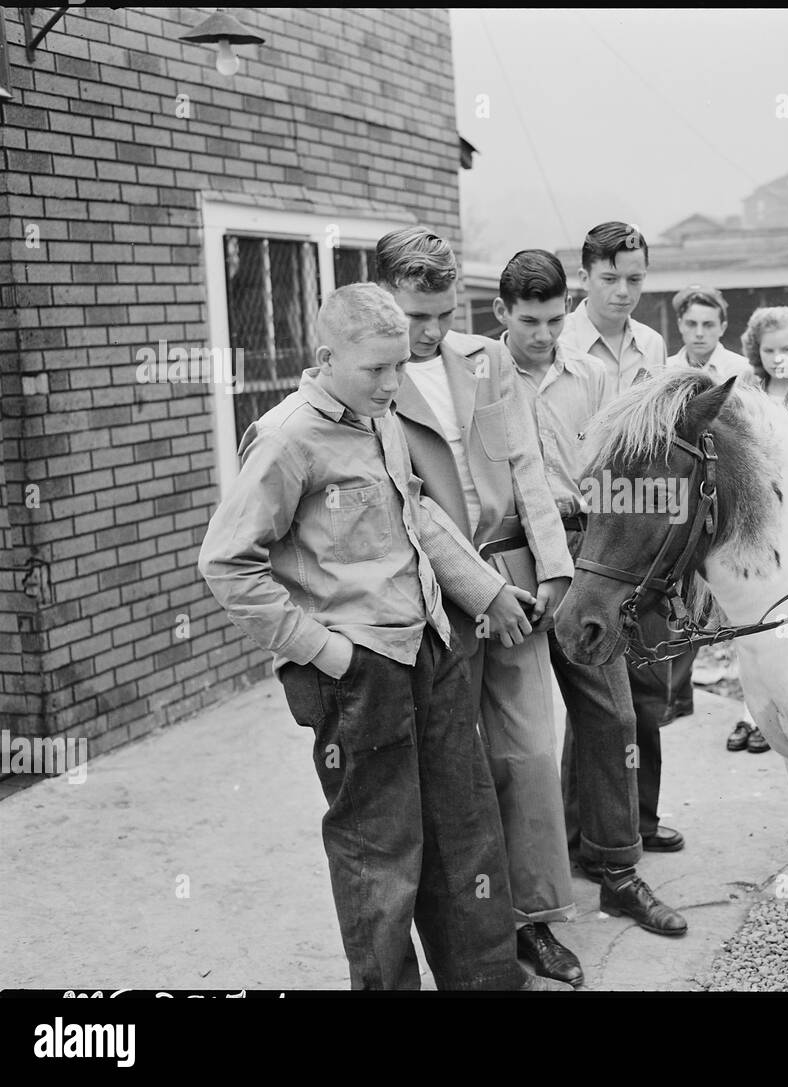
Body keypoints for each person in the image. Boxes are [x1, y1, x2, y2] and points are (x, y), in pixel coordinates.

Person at [197, 283, 569, 991]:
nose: (394, 382)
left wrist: (482, 589)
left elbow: (415, 513)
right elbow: (226, 563)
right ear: (325, 356)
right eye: (376, 369)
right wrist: (327, 650)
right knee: (381, 853)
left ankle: (487, 982)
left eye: (400, 366)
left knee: (467, 834)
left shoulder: (379, 414)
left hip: (430, 645)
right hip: (355, 675)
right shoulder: (286, 437)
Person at [375, 228, 583, 985]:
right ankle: (482, 934)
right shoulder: (372, 380)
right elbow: (412, 508)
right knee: (464, 774)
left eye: (441, 312)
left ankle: (536, 920)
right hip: (436, 594)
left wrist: (553, 567)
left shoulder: (487, 358)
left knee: (528, 755)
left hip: (517, 578)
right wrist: (480, 595)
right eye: (412, 316)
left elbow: (524, 460)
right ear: (382, 303)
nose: (428, 332)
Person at [494, 248, 688, 937]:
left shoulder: (598, 375)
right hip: (512, 561)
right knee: (524, 742)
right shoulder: (484, 381)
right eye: (529, 322)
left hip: (588, 555)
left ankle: (616, 869)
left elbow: (620, 469)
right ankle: (524, 903)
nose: (544, 335)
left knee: (612, 715)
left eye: (552, 320)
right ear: (502, 314)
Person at [558, 221, 684, 855]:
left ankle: (642, 818)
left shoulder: (652, 344)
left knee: (648, 678)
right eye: (609, 278)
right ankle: (580, 830)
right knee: (596, 685)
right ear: (585, 277)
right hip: (586, 528)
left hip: (640, 524)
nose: (623, 291)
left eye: (635, 279)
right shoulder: (563, 342)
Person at [664, 285, 753, 728]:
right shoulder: (665, 372)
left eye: (708, 325)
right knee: (679, 592)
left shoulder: (739, 370)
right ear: (680, 325)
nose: (699, 333)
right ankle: (675, 693)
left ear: (722, 326)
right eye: (691, 324)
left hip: (728, 490)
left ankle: (751, 710)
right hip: (684, 490)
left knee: (735, 593)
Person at [732, 305, 788, 754]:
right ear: (756, 352)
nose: (778, 357)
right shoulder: (750, 392)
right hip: (764, 514)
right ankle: (753, 713)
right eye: (769, 350)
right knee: (758, 614)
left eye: (786, 348)